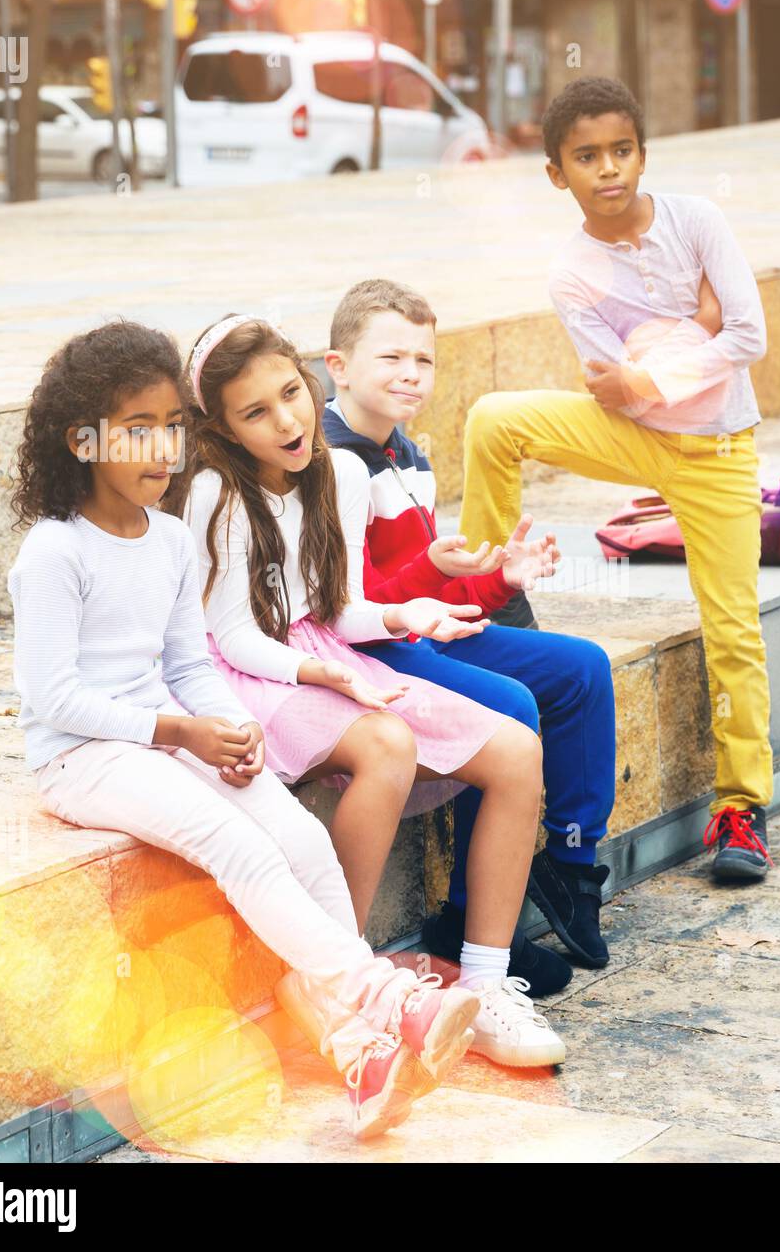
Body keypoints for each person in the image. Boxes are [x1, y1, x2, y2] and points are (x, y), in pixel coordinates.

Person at [7, 320, 477, 1140]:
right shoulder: (55, 552)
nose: (163, 449)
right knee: (243, 847)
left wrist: (225, 725)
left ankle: (359, 1053)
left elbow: (190, 663)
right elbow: (53, 697)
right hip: (81, 755)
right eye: (137, 430)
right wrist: (178, 731)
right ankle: (378, 993)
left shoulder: (170, 539)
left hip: (164, 729)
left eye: (171, 427)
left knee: (301, 839)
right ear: (82, 441)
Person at [167, 314, 567, 1069]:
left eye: (291, 393)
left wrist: (403, 612)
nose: (287, 420)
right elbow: (238, 635)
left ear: (309, 378)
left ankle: (482, 987)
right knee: (388, 741)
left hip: (324, 647)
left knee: (515, 749)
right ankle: (337, 979)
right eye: (256, 412)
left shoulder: (339, 472)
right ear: (220, 427)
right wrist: (321, 673)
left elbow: (339, 603)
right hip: (246, 670)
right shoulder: (215, 493)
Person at [459, 76, 776, 882]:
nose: (610, 170)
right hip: (634, 437)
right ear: (557, 173)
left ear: (644, 151)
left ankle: (742, 807)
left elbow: (749, 333)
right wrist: (690, 332)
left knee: (733, 626)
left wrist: (664, 361)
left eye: (622, 150)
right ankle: (489, 586)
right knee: (496, 417)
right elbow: (619, 384)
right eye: (587, 157)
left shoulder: (696, 220)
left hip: (717, 452)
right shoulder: (573, 271)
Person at [322, 277, 619, 984]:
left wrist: (496, 581)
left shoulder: (409, 456)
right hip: (372, 647)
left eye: (423, 361)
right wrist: (430, 568)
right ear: (337, 366)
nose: (410, 375)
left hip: (425, 631)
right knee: (506, 704)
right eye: (390, 358)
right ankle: (469, 920)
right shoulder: (333, 465)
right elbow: (353, 608)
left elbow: (433, 586)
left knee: (583, 668)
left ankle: (571, 869)